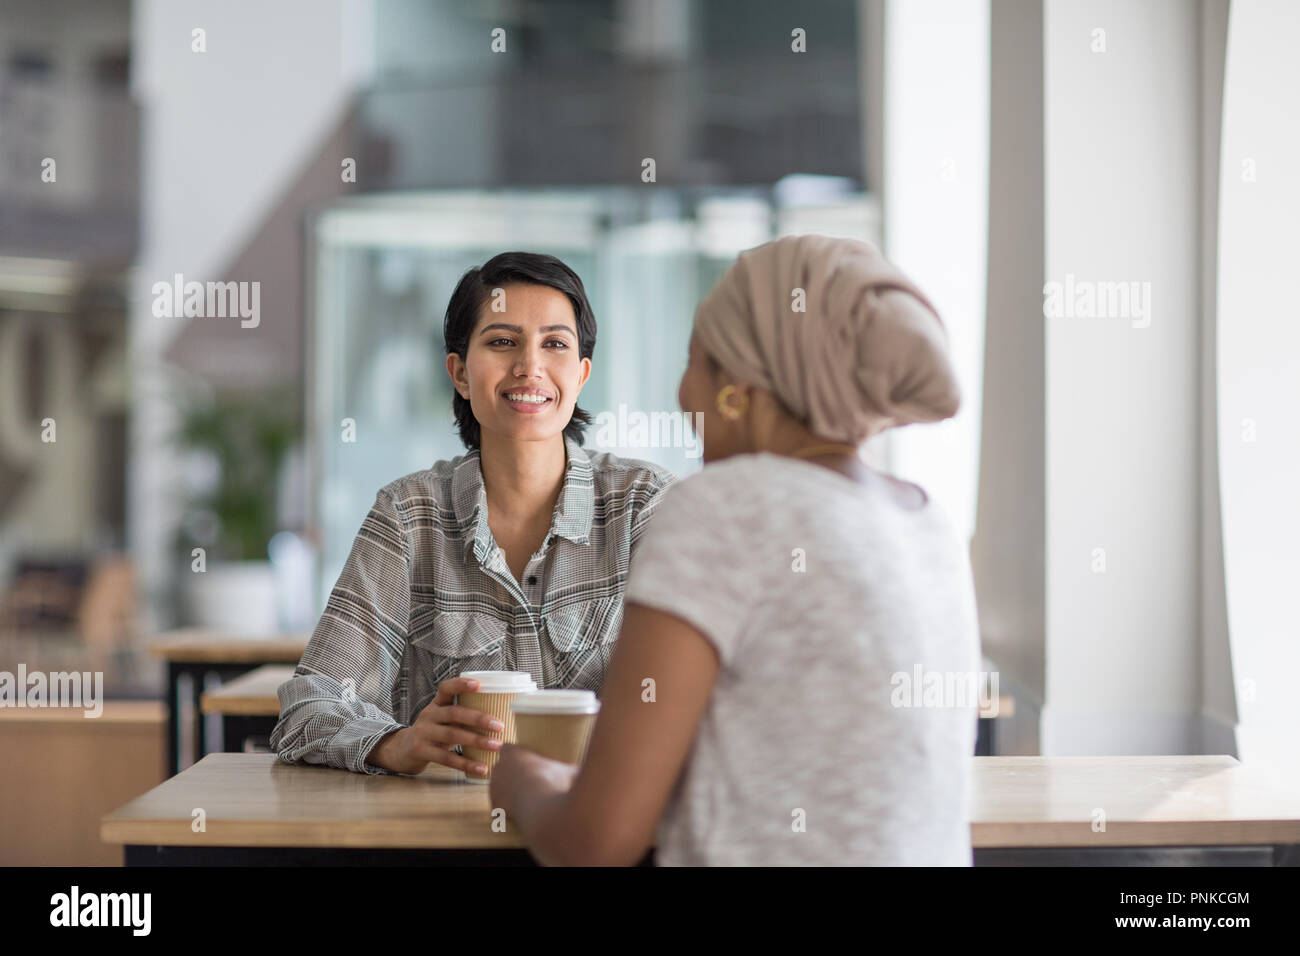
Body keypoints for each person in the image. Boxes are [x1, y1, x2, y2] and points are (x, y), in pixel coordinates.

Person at [491, 234, 980, 865]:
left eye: (695, 361)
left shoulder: (724, 508)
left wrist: (521, 780)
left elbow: (595, 843)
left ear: (737, 387)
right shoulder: (926, 521)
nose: (682, 395)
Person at [270, 252, 674, 778]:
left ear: (581, 375)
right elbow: (308, 706)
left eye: (554, 344)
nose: (530, 366)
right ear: (459, 372)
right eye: (503, 342)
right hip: (446, 834)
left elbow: (700, 698)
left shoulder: (645, 506)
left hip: (602, 833)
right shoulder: (409, 517)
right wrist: (397, 744)